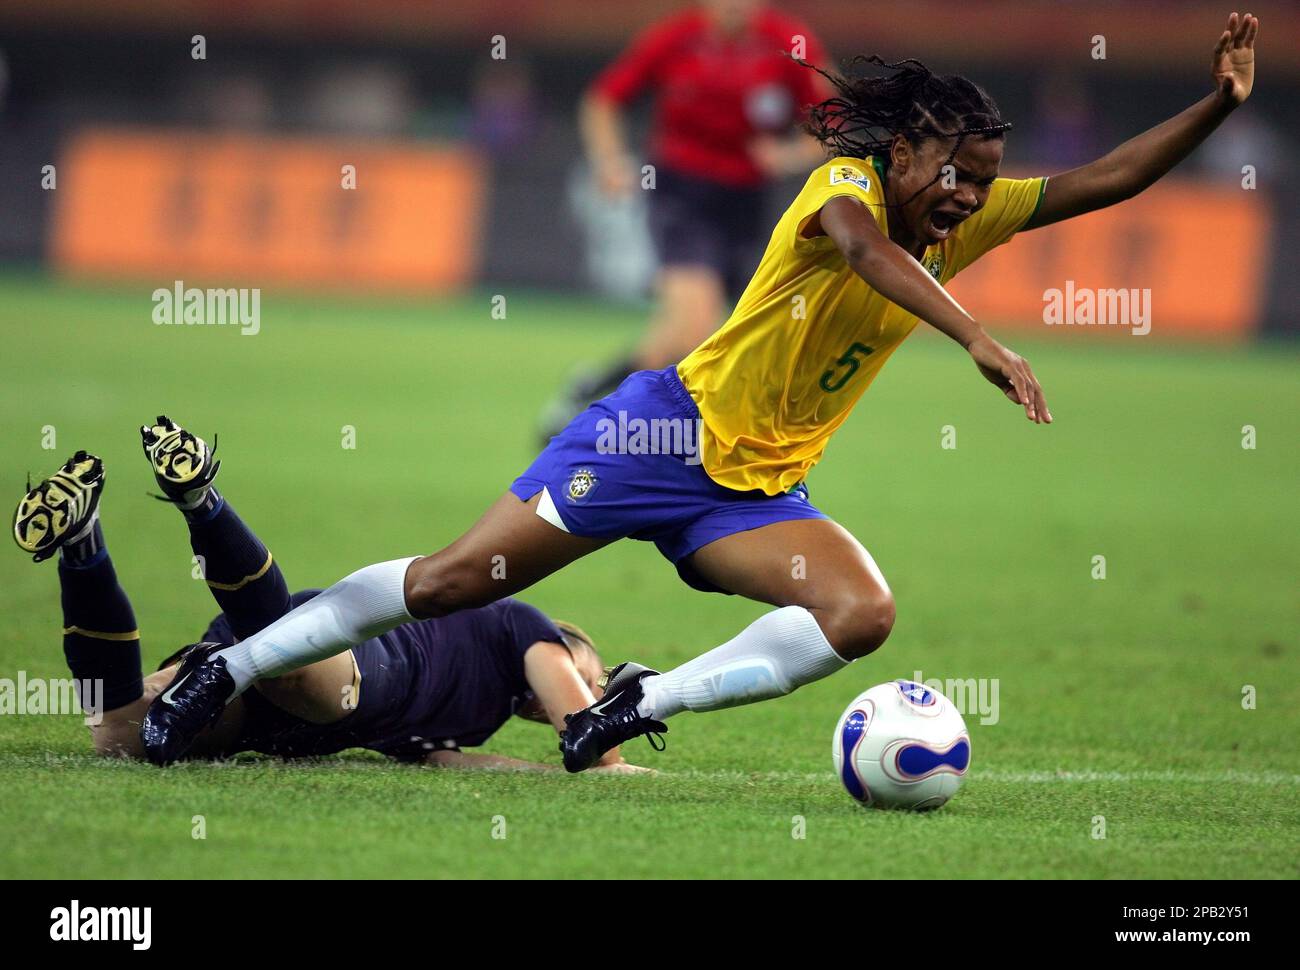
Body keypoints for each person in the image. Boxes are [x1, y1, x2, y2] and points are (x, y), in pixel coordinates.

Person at [139, 14, 1260, 772]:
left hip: (753, 490)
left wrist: (1215, 104)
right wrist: (979, 337)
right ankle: (225, 672)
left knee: (860, 615)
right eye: (952, 174)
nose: (968, 196)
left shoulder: (961, 216)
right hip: (652, 433)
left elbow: (1103, 180)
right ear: (905, 151)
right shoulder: (846, 189)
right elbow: (867, 254)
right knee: (442, 585)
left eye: (981, 178)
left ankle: (637, 699)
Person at [11, 422, 646, 773]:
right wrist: (618, 761)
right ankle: (201, 501)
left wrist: (537, 775)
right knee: (283, 664)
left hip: (289, 722)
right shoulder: (527, 630)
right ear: (569, 652)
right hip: (355, 665)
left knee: (119, 734)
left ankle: (81, 544)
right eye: (587, 680)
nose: (581, 696)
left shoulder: (477, 720)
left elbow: (451, 766)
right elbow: (594, 740)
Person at [539, 0, 831, 438]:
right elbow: (603, 99)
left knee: (680, 337)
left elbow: (832, 119)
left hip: (747, 203)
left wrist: (790, 154)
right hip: (679, 195)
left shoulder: (790, 42)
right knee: (695, 324)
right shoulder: (675, 37)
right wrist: (609, 160)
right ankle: (657, 441)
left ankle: (590, 392)